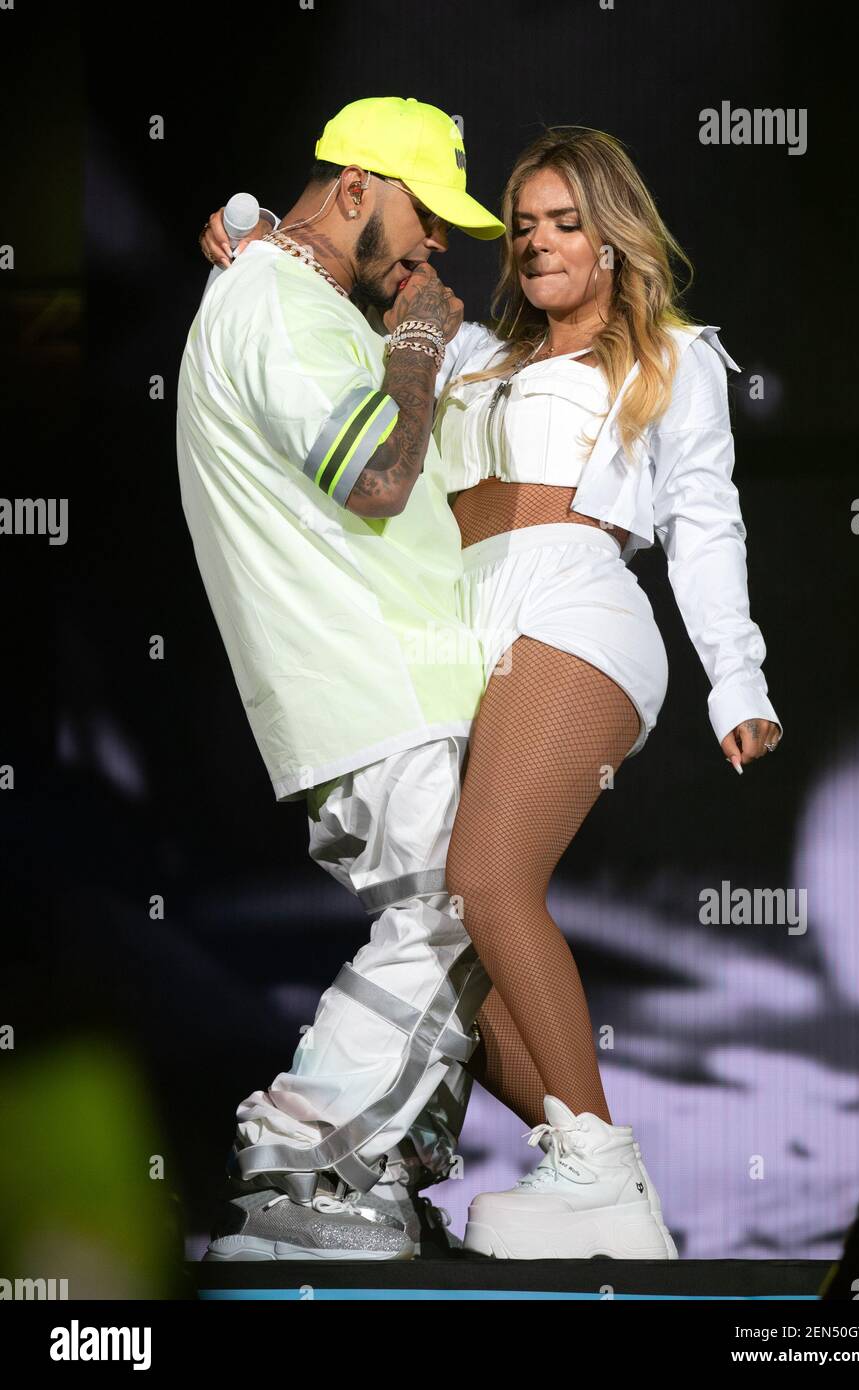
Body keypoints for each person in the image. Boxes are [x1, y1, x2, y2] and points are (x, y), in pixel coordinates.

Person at [197, 121, 784, 1263]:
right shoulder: (465, 350)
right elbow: (325, 280)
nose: (538, 243)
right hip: (464, 632)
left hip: (576, 608)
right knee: (460, 938)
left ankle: (600, 1170)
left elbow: (706, 522)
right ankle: (594, 1163)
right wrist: (240, 223)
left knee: (482, 881)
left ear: (613, 237)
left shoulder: (671, 355)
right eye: (522, 226)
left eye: (566, 223)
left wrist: (738, 679)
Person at [178, 96, 507, 1261]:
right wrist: (413, 341)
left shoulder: (290, 290)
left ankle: (372, 1178)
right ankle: (300, 1163)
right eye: (426, 217)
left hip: (392, 677)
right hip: (370, 677)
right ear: (356, 187)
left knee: (456, 926)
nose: (438, 247)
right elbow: (373, 474)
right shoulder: (271, 300)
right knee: (448, 919)